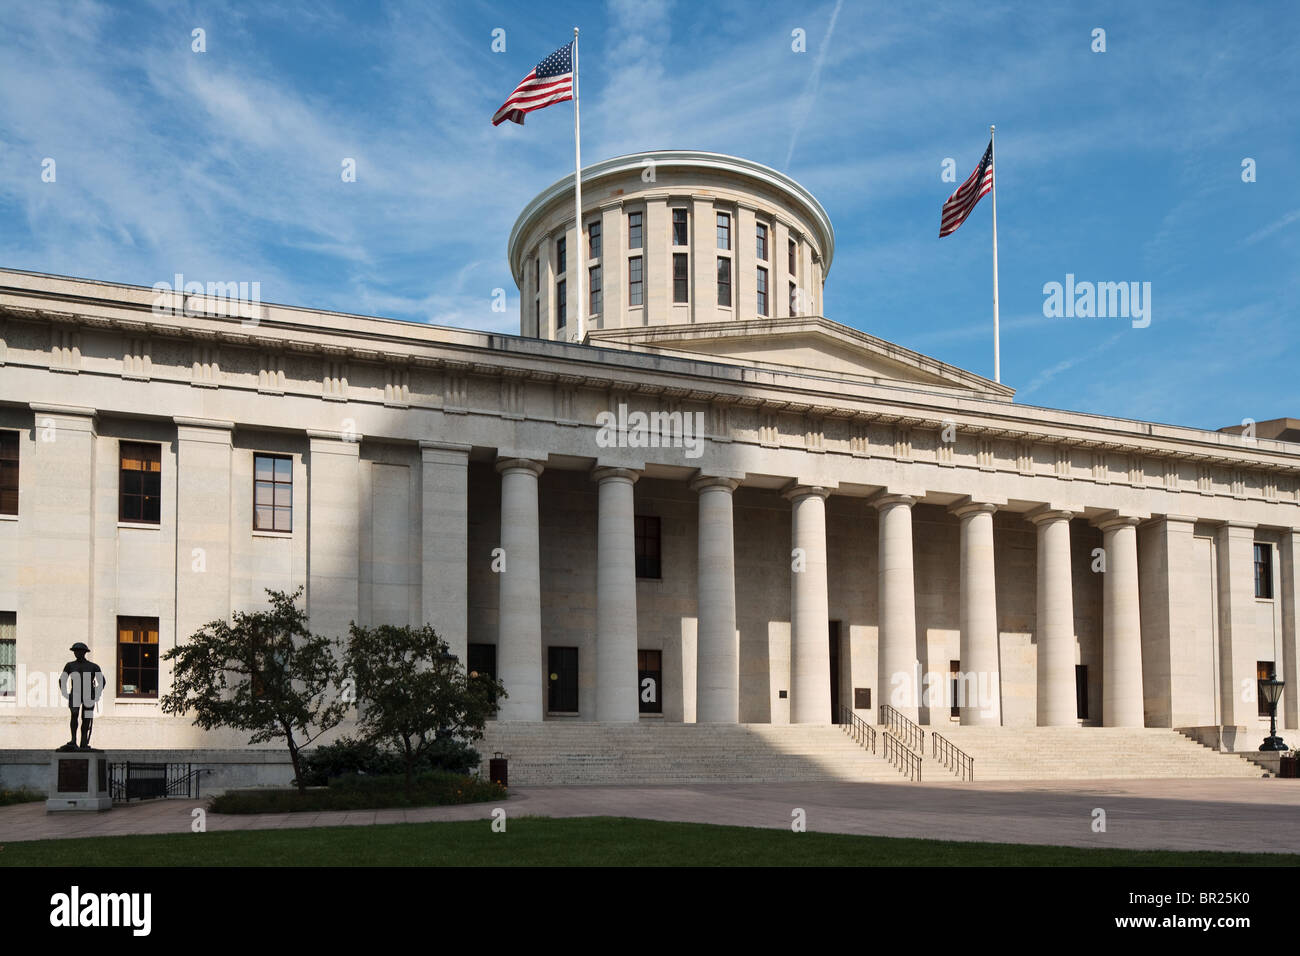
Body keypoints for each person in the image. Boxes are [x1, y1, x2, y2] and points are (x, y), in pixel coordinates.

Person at [59, 642, 106, 751]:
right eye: (75, 651)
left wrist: (97, 694)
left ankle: (83, 742)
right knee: (74, 715)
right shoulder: (70, 665)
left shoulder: (93, 666)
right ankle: (73, 740)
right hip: (75, 694)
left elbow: (102, 681)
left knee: (86, 719)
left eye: (79, 651)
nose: (77, 653)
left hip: (89, 696)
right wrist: (65, 693)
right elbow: (62, 679)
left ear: (84, 652)